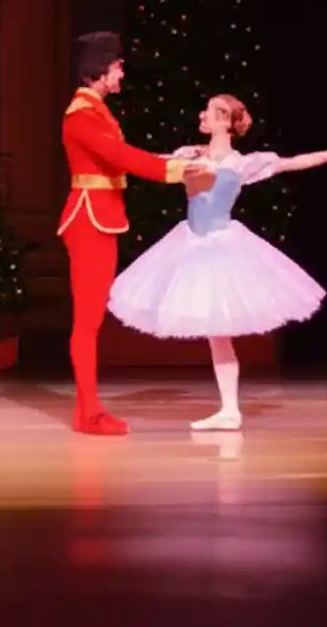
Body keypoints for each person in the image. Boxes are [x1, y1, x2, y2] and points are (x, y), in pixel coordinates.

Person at [107, 93, 327, 430]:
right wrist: (107, 147)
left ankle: (229, 409)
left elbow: (295, 162)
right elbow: (144, 161)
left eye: (208, 111)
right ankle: (229, 410)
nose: (201, 115)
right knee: (216, 335)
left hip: (221, 248)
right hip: (191, 246)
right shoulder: (188, 154)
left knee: (219, 332)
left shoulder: (243, 164)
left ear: (224, 120)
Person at [58, 31, 214, 436]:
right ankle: (89, 414)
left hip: (102, 216)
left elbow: (118, 160)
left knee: (92, 320)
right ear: (99, 70)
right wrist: (175, 170)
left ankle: (87, 410)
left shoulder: (98, 114)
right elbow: (120, 156)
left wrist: (177, 157)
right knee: (87, 321)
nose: (122, 73)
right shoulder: (81, 117)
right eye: (117, 66)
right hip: (89, 219)